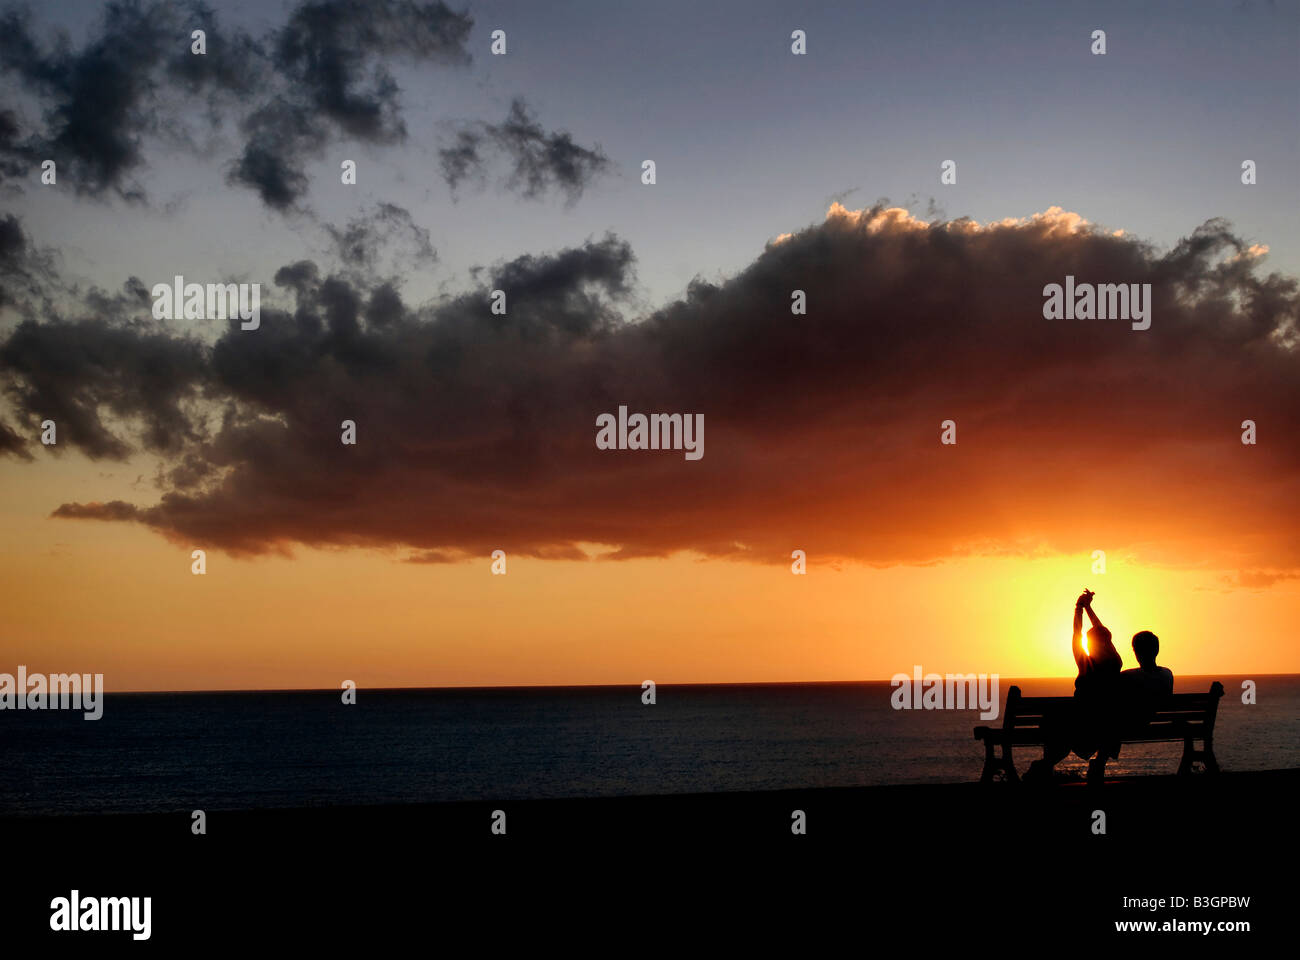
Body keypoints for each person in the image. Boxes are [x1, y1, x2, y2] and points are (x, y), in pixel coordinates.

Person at [1026, 589, 1124, 784]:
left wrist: (1079, 608)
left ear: (1090, 644)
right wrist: (1088, 607)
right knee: (1108, 722)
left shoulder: (1085, 664)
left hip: (1082, 724)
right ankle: (1096, 764)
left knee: (1056, 726)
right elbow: (1101, 631)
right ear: (1108, 643)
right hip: (1106, 724)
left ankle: (1044, 766)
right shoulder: (1115, 662)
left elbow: (1077, 632)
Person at [1119, 630, 1173, 714]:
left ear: (1136, 652)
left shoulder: (1127, 676)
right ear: (1157, 650)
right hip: (1162, 723)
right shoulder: (1167, 674)